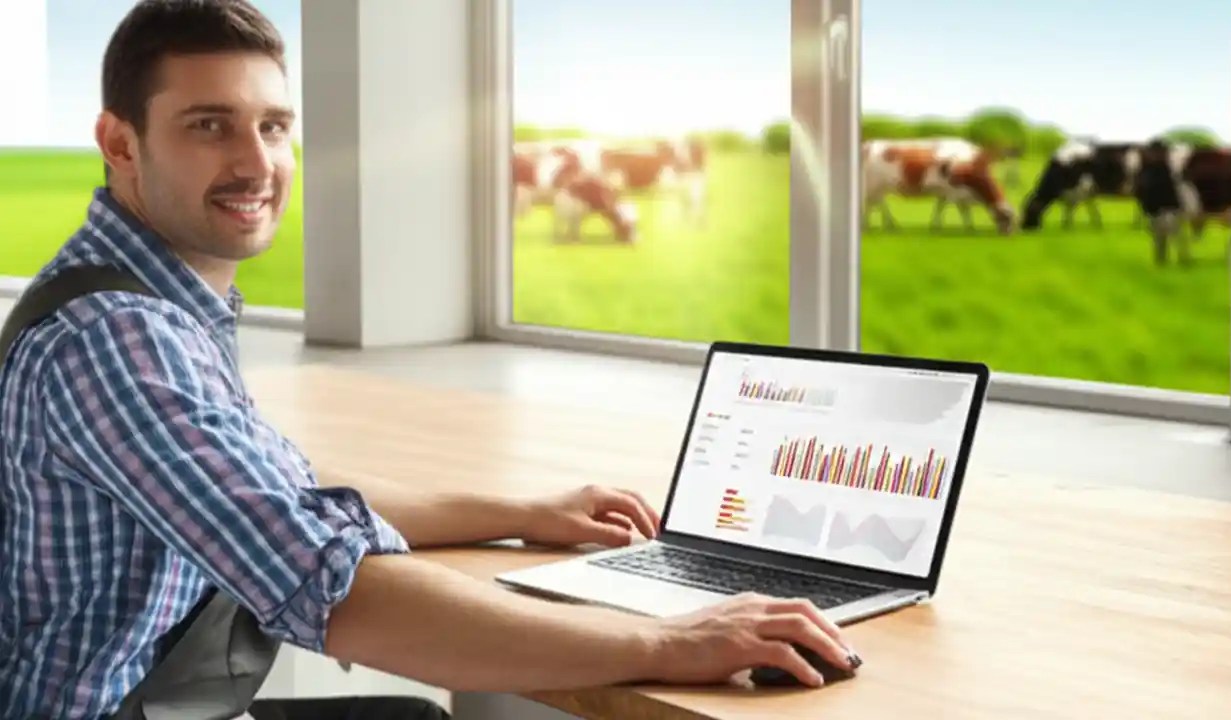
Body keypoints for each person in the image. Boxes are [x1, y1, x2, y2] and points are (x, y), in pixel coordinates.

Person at [0, 1, 857, 718]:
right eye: (209, 126)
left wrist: (525, 511)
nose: (257, 162)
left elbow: (286, 491)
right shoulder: (116, 340)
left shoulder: (154, 301)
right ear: (119, 142)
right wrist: (675, 639)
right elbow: (336, 590)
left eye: (273, 125)